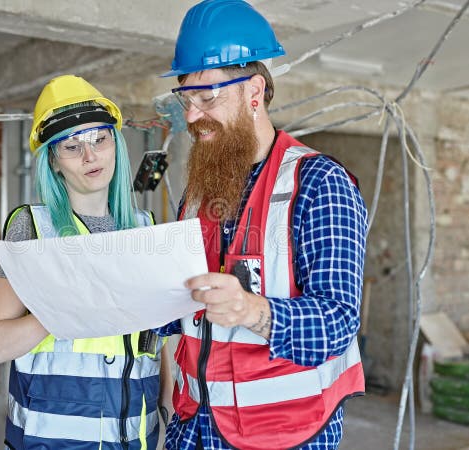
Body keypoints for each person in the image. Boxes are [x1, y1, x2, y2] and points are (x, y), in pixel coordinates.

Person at [154, 1, 368, 449]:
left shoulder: (319, 182)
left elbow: (339, 322)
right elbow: (181, 309)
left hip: (287, 432)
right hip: (193, 426)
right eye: (186, 99)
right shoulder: (198, 191)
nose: (192, 116)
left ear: (254, 90)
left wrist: (253, 311)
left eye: (207, 98)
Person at [0, 74, 171, 450]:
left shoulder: (146, 230)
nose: (90, 156)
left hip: (137, 439)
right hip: (52, 441)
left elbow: (160, 344)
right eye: (71, 146)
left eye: (99, 139)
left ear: (115, 143)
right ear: (53, 161)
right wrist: (65, 308)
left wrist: (169, 417)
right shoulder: (33, 228)